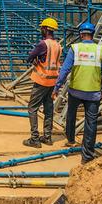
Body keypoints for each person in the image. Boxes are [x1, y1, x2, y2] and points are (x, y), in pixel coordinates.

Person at [53, 22, 102, 164]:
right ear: (92, 34)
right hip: (93, 93)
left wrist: (57, 87)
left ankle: (71, 140)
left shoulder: (75, 48)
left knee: (71, 116)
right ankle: (87, 156)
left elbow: (64, 70)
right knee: (91, 123)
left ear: (81, 34)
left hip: (75, 91)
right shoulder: (99, 50)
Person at [23, 17, 62, 148]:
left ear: (45, 29)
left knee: (32, 108)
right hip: (52, 82)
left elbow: (29, 57)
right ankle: (47, 136)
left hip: (41, 81)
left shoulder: (43, 44)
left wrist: (34, 59)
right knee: (48, 109)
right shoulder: (58, 45)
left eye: (42, 28)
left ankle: (34, 138)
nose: (41, 30)